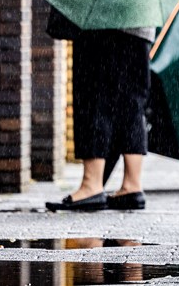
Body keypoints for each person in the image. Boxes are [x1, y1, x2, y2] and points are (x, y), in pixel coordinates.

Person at [46, 24, 154, 211]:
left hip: (104, 22)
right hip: (140, 23)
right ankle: (132, 185)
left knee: (94, 100)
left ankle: (92, 185)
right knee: (131, 103)